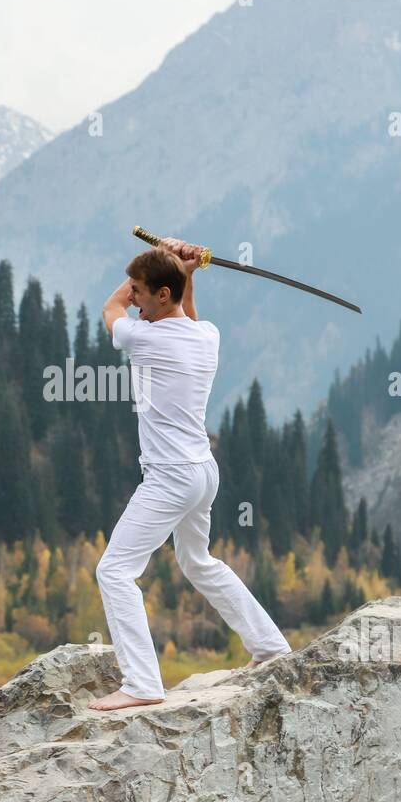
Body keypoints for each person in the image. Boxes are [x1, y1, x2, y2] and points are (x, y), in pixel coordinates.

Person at [88, 237, 293, 712]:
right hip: (202, 472)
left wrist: (173, 265)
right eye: (135, 289)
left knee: (114, 571)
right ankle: (269, 646)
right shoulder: (207, 337)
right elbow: (187, 315)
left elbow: (109, 306)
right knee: (198, 562)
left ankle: (141, 684)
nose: (133, 297)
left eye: (142, 289)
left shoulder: (146, 338)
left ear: (162, 294)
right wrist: (182, 271)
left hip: (170, 478)